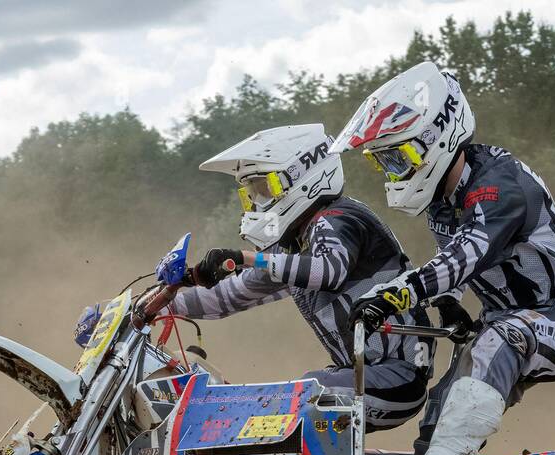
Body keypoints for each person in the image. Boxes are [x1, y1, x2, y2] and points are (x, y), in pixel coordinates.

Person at [332, 61, 555, 455]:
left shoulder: (499, 184)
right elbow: (458, 261)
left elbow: (467, 254)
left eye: (398, 158)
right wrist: (446, 302)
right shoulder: (444, 199)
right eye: (383, 162)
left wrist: (401, 292)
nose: (392, 171)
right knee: (438, 416)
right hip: (500, 320)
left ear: (437, 136)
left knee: (500, 341)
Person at [166, 123, 446, 432]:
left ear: (302, 176)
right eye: (252, 193)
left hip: (397, 376)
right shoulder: (295, 244)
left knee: (294, 399)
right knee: (270, 405)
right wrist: (149, 306)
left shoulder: (339, 218)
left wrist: (245, 257)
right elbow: (226, 297)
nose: (259, 202)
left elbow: (328, 270)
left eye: (264, 188)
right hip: (359, 375)